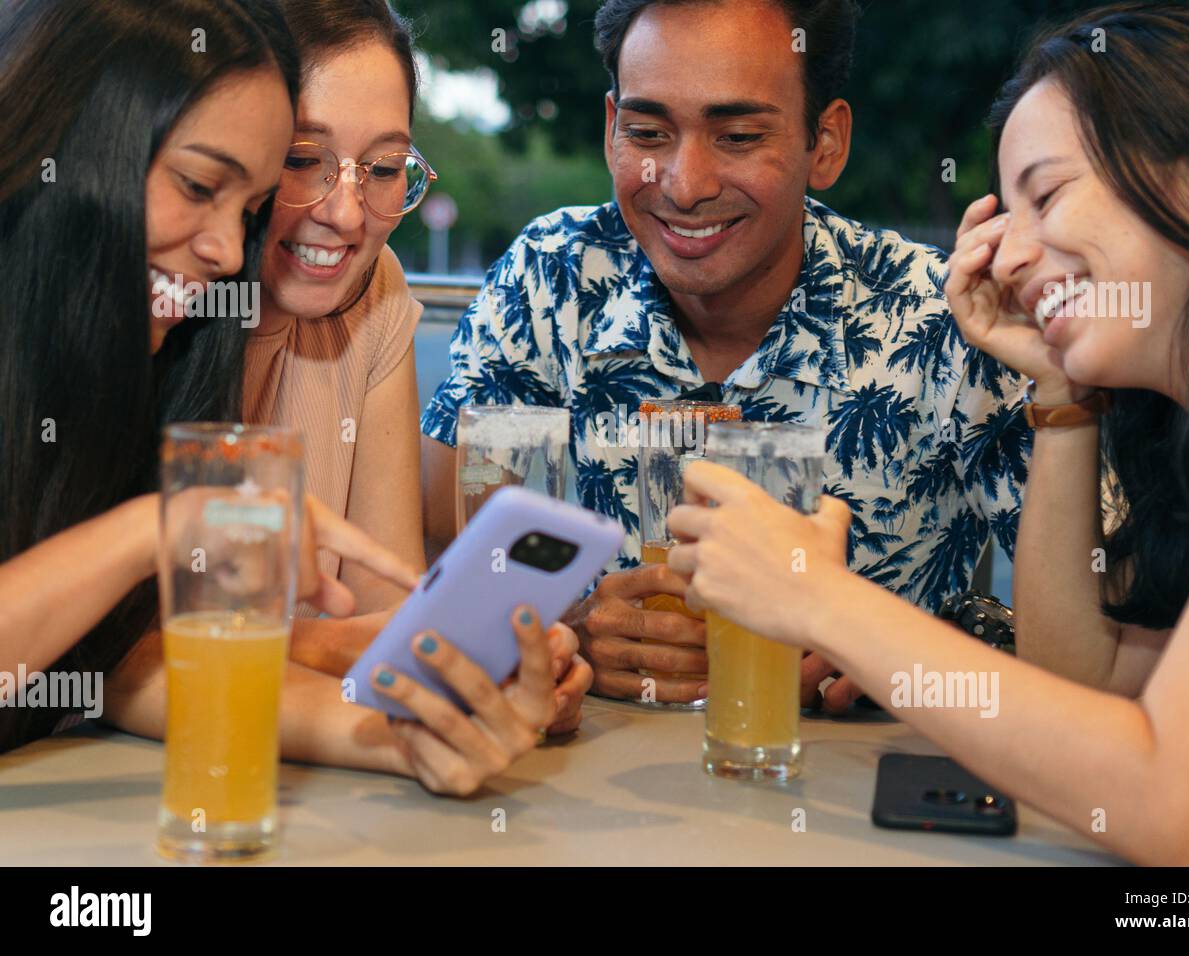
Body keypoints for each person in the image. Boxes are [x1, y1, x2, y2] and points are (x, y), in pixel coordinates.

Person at [666, 3, 1189, 864]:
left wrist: (815, 594)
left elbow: (1172, 810)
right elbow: (1087, 684)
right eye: (1009, 216)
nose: (1005, 258)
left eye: (1048, 194)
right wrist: (1056, 386)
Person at [0, 0, 566, 796]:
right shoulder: (152, 321)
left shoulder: (162, 321)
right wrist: (162, 529)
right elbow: (109, 650)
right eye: (301, 163)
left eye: (249, 204)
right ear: (83, 137)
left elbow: (123, 644)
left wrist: (435, 679)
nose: (229, 246)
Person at [419, 0, 1030, 707]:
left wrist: (892, 650)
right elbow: (454, 572)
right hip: (578, 795)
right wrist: (565, 637)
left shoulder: (942, 319)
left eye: (738, 136)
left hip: (843, 797)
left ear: (825, 143)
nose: (686, 184)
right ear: (611, 129)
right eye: (648, 133)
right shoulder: (549, 282)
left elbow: (1096, 650)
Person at [246, 0, 592, 734]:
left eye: (381, 169)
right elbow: (100, 648)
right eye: (304, 159)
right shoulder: (153, 302)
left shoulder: (377, 289)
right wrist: (329, 650)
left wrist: (488, 669)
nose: (346, 213)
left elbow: (388, 606)